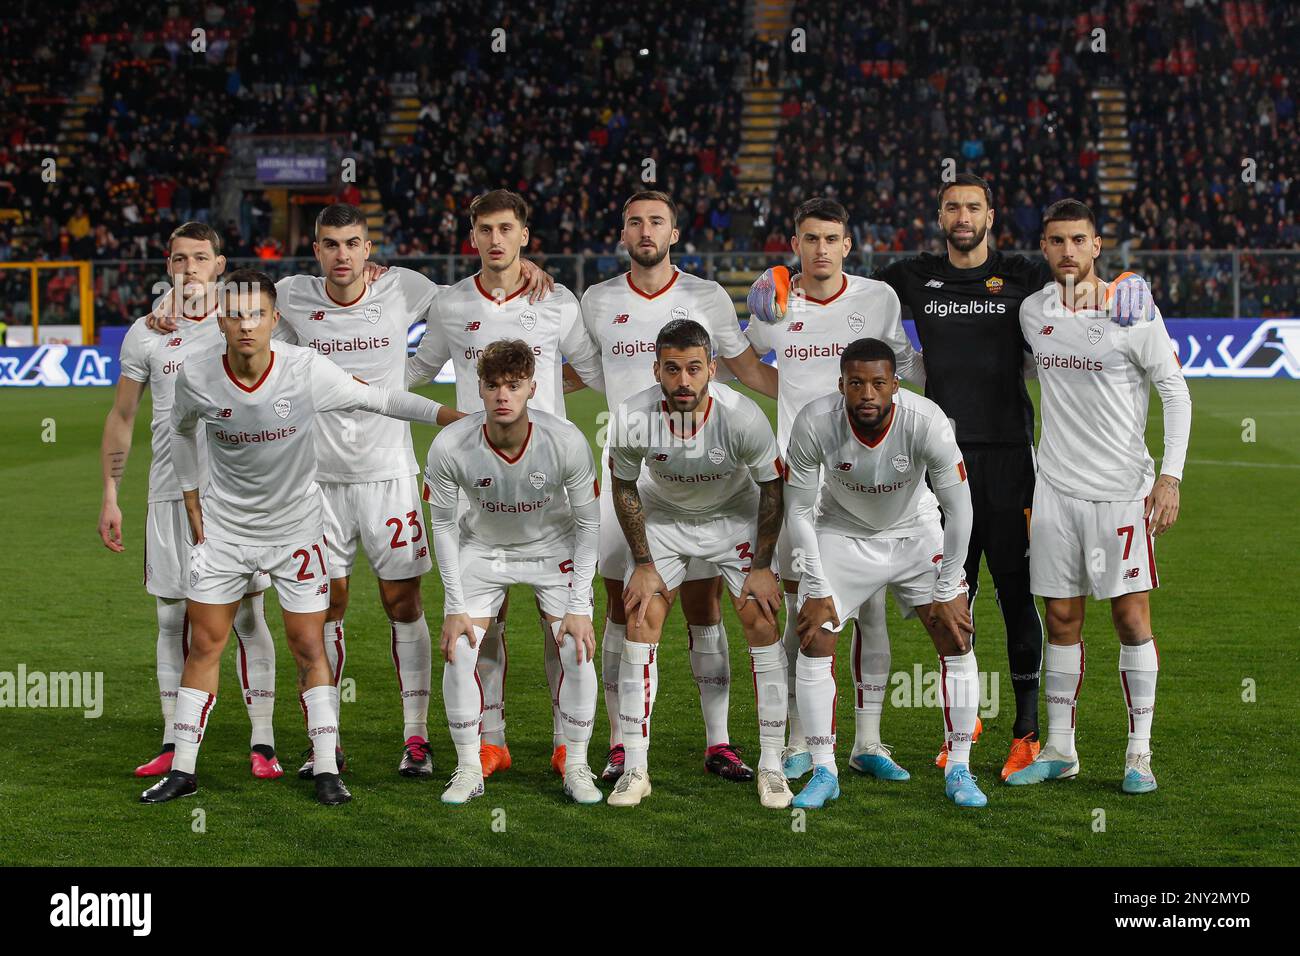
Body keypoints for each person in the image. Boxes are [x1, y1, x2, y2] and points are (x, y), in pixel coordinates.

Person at [139, 269, 457, 806]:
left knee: (309, 644)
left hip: (295, 533)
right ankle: (184, 770)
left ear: (274, 320)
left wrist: (457, 418)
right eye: (235, 314)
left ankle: (328, 766)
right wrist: (190, 494)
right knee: (205, 643)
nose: (246, 325)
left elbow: (383, 400)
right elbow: (180, 429)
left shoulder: (305, 370)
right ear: (221, 318)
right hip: (225, 534)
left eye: (257, 314)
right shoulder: (195, 376)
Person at [580, 189, 778, 784]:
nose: (646, 230)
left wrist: (823, 388)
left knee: (704, 605)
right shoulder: (596, 299)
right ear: (622, 233)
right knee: (625, 607)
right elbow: (568, 366)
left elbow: (744, 369)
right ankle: (621, 744)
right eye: (634, 221)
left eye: (657, 221)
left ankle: (718, 743)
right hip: (634, 477)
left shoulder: (708, 296)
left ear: (674, 232)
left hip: (710, 476)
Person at [407, 189, 603, 780]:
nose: (496, 240)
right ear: (473, 238)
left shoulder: (557, 301)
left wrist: (537, 399)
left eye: (506, 229)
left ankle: (568, 744)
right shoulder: (450, 303)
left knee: (559, 625)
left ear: (524, 235)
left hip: (548, 487)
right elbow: (413, 369)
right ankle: (489, 742)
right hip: (476, 483)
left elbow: (595, 370)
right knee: (479, 625)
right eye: (485, 229)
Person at [1009, 199, 1189, 794]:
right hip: (1056, 488)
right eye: (1056, 241)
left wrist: (1170, 476)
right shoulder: (1033, 312)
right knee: (1061, 617)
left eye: (1078, 240)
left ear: (1097, 245)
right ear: (1044, 248)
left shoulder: (1134, 312)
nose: (1067, 252)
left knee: (1131, 617)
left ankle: (1139, 754)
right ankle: (1061, 749)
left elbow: (1175, 393)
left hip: (1120, 493)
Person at [744, 197, 923, 784]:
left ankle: (868, 740)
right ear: (794, 245)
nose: (821, 249)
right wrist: (795, 398)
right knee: (803, 609)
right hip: (801, 477)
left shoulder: (877, 300)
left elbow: (901, 371)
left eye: (832, 239)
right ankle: (799, 737)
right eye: (810, 239)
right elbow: (748, 366)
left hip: (862, 477)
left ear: (848, 245)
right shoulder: (775, 304)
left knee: (871, 611)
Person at [99, 222, 280, 781]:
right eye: (179, 259)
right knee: (170, 614)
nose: (189, 269)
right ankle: (173, 739)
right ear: (167, 264)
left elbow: (304, 298)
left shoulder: (240, 322)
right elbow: (124, 416)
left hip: (234, 494)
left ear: (220, 265)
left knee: (248, 614)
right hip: (165, 494)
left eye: (201, 258)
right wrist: (110, 493)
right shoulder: (146, 334)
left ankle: (264, 743)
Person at [783, 338, 983, 809]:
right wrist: (813, 585)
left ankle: (960, 767)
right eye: (856, 383)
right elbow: (797, 513)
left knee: (956, 636)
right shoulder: (814, 421)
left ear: (895, 384)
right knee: (815, 637)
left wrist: (951, 585)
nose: (867, 393)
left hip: (915, 531)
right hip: (842, 532)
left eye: (878, 383)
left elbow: (961, 511)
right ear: (841, 385)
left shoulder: (927, 420)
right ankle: (824, 769)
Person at [607, 319, 789, 808]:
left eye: (693, 368)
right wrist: (644, 562)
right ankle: (636, 769)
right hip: (664, 518)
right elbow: (623, 486)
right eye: (672, 369)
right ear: (657, 371)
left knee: (761, 618)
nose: (683, 381)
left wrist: (763, 565)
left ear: (712, 368)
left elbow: (772, 486)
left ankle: (771, 766)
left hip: (732, 517)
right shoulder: (632, 417)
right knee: (639, 617)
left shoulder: (742, 416)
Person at [423, 339, 601, 805]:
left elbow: (589, 524)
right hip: (483, 547)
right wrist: (453, 606)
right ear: (478, 389)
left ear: (532, 389)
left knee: (576, 646)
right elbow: (441, 524)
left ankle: (576, 764)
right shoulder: (450, 445)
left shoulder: (565, 440)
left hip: (551, 546)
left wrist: (580, 605)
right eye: (494, 385)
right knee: (460, 647)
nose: (503, 395)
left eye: (514, 386)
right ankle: (468, 768)